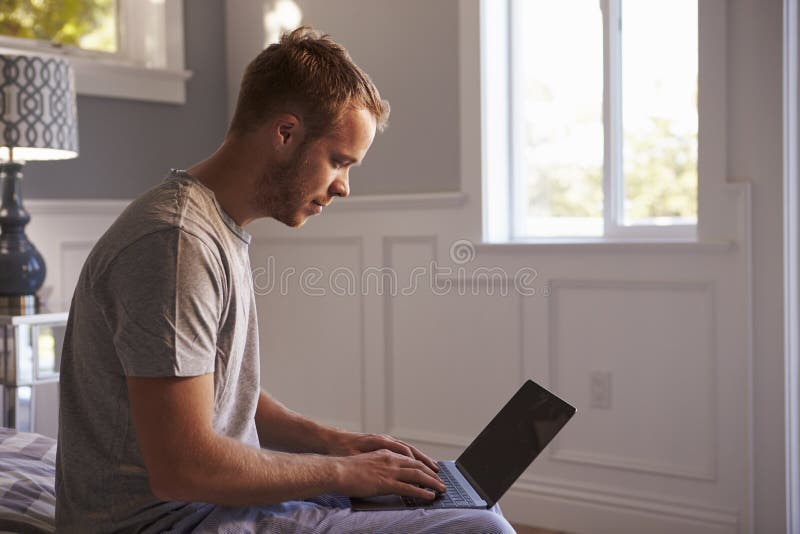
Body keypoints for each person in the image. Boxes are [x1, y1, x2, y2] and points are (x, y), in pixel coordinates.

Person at [55, 26, 515, 533]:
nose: (343, 187)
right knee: (480, 529)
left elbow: (222, 394)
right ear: (285, 133)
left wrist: (334, 444)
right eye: (339, 161)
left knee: (462, 506)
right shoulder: (177, 243)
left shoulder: (212, 227)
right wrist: (343, 472)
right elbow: (182, 469)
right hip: (168, 523)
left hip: (213, 507)